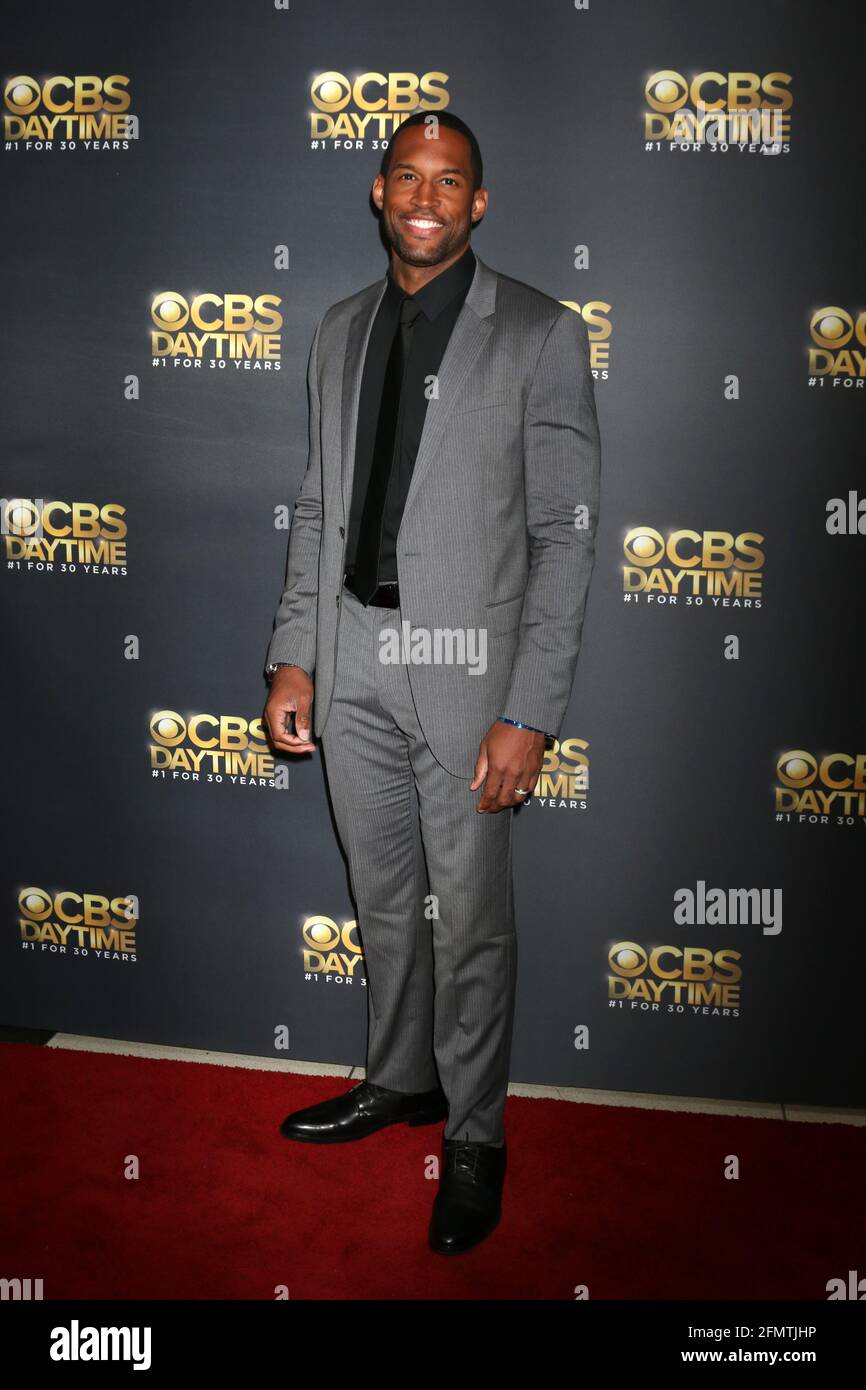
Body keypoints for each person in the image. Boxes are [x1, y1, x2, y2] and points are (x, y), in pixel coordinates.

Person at [262, 110, 602, 1255]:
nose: (424, 194)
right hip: (350, 654)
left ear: (477, 203)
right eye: (405, 174)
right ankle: (398, 1077)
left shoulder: (541, 334)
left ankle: (474, 1136)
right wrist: (295, 649)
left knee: (472, 922)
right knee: (383, 897)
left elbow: (564, 535)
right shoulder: (338, 328)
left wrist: (529, 709)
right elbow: (318, 506)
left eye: (448, 180)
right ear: (375, 189)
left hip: (467, 678)